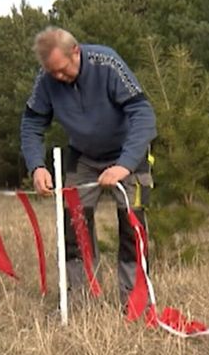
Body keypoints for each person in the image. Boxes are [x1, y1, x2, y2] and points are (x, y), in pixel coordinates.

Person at [20, 26, 157, 310]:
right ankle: (79, 302)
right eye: (51, 72)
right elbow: (32, 124)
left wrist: (124, 165)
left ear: (76, 52)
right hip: (83, 157)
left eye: (62, 70)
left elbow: (143, 115)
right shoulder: (46, 80)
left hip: (127, 155)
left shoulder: (107, 63)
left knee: (132, 230)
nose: (57, 77)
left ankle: (135, 304)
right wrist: (36, 166)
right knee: (75, 230)